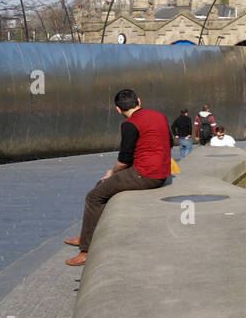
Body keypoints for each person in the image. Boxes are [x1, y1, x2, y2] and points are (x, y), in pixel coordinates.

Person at [64, 89, 172, 267]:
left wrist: (112, 172)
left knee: (94, 197)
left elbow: (124, 159)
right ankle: (86, 235)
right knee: (101, 186)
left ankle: (86, 250)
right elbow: (168, 141)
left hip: (144, 175)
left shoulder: (130, 124)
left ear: (118, 109)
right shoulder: (159, 115)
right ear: (138, 100)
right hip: (161, 171)